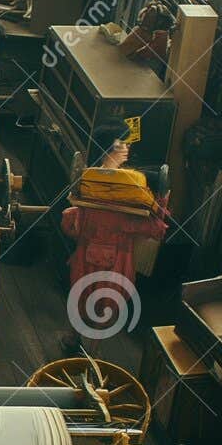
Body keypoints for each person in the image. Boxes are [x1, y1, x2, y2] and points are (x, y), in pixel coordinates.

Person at [59, 123, 168, 356]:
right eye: (122, 144)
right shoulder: (134, 184)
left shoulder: (88, 180)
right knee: (109, 306)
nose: (127, 148)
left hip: (85, 254)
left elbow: (72, 224)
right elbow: (154, 228)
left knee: (80, 296)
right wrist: (162, 202)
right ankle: (93, 352)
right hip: (118, 259)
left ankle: (72, 338)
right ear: (109, 149)